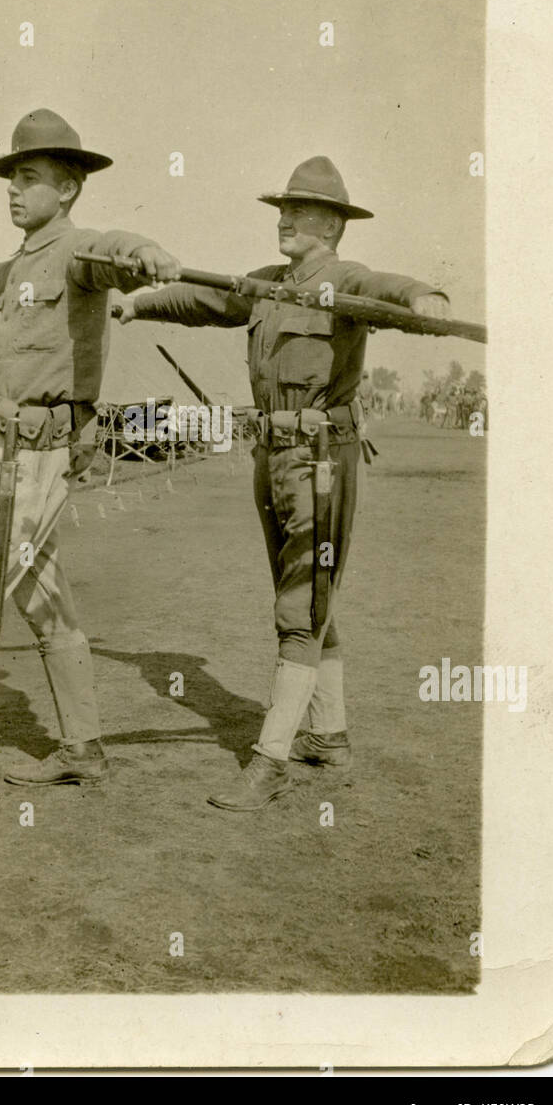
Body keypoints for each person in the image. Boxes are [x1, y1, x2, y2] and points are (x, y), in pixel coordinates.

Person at [118, 155, 449, 811]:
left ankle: (269, 759)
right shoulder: (267, 284)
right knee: (308, 601)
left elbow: (385, 287)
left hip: (321, 461)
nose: (285, 219)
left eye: (300, 211)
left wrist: (422, 296)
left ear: (332, 224)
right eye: (281, 210)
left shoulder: (342, 279)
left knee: (299, 607)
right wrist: (138, 305)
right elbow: (201, 299)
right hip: (272, 458)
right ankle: (327, 738)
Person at [0, 109, 180, 833]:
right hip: (5, 454)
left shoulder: (79, 254)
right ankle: (84, 750)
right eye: (11, 178)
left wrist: (153, 255)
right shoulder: (17, 267)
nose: (12, 191)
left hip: (35, 462)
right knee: (46, 604)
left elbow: (120, 249)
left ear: (69, 188)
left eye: (28, 178)